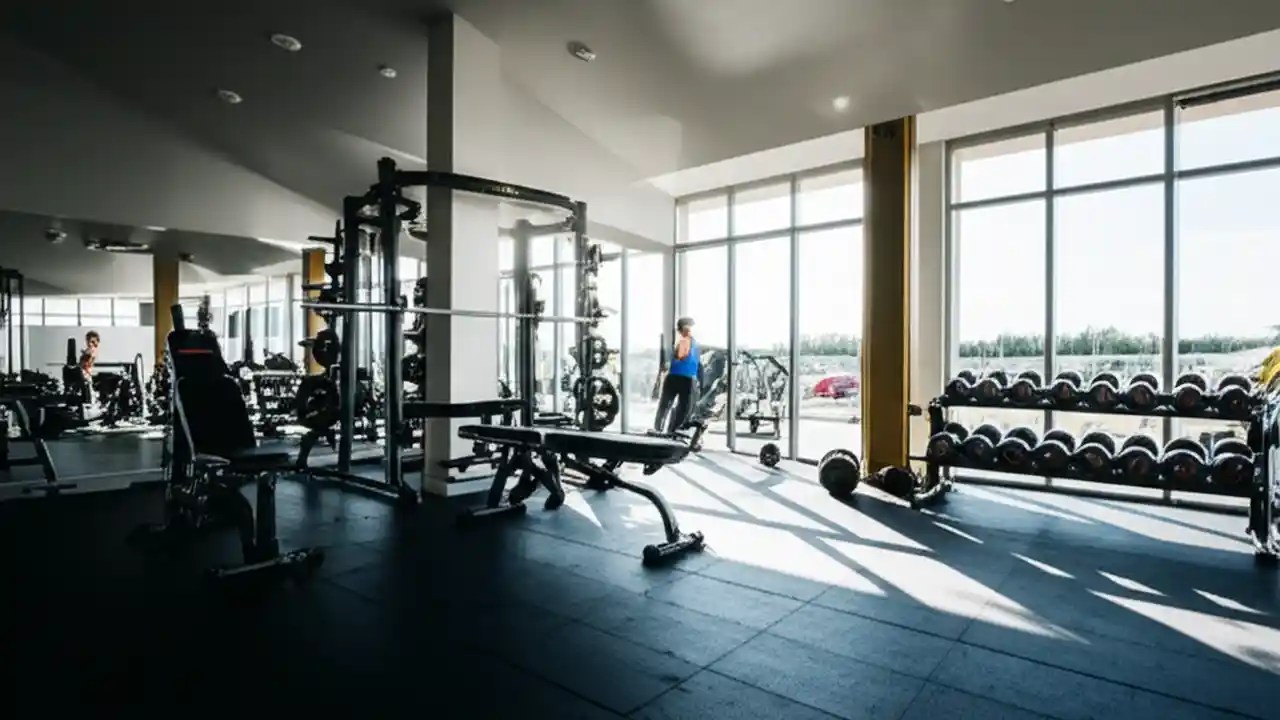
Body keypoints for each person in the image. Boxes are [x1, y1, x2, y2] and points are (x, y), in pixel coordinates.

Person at [654, 317, 699, 434]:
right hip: (685, 378)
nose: (689, 330)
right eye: (687, 327)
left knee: (667, 405)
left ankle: (662, 429)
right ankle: (671, 430)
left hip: (678, 376)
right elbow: (681, 355)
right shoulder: (687, 341)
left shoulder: (687, 342)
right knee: (681, 407)